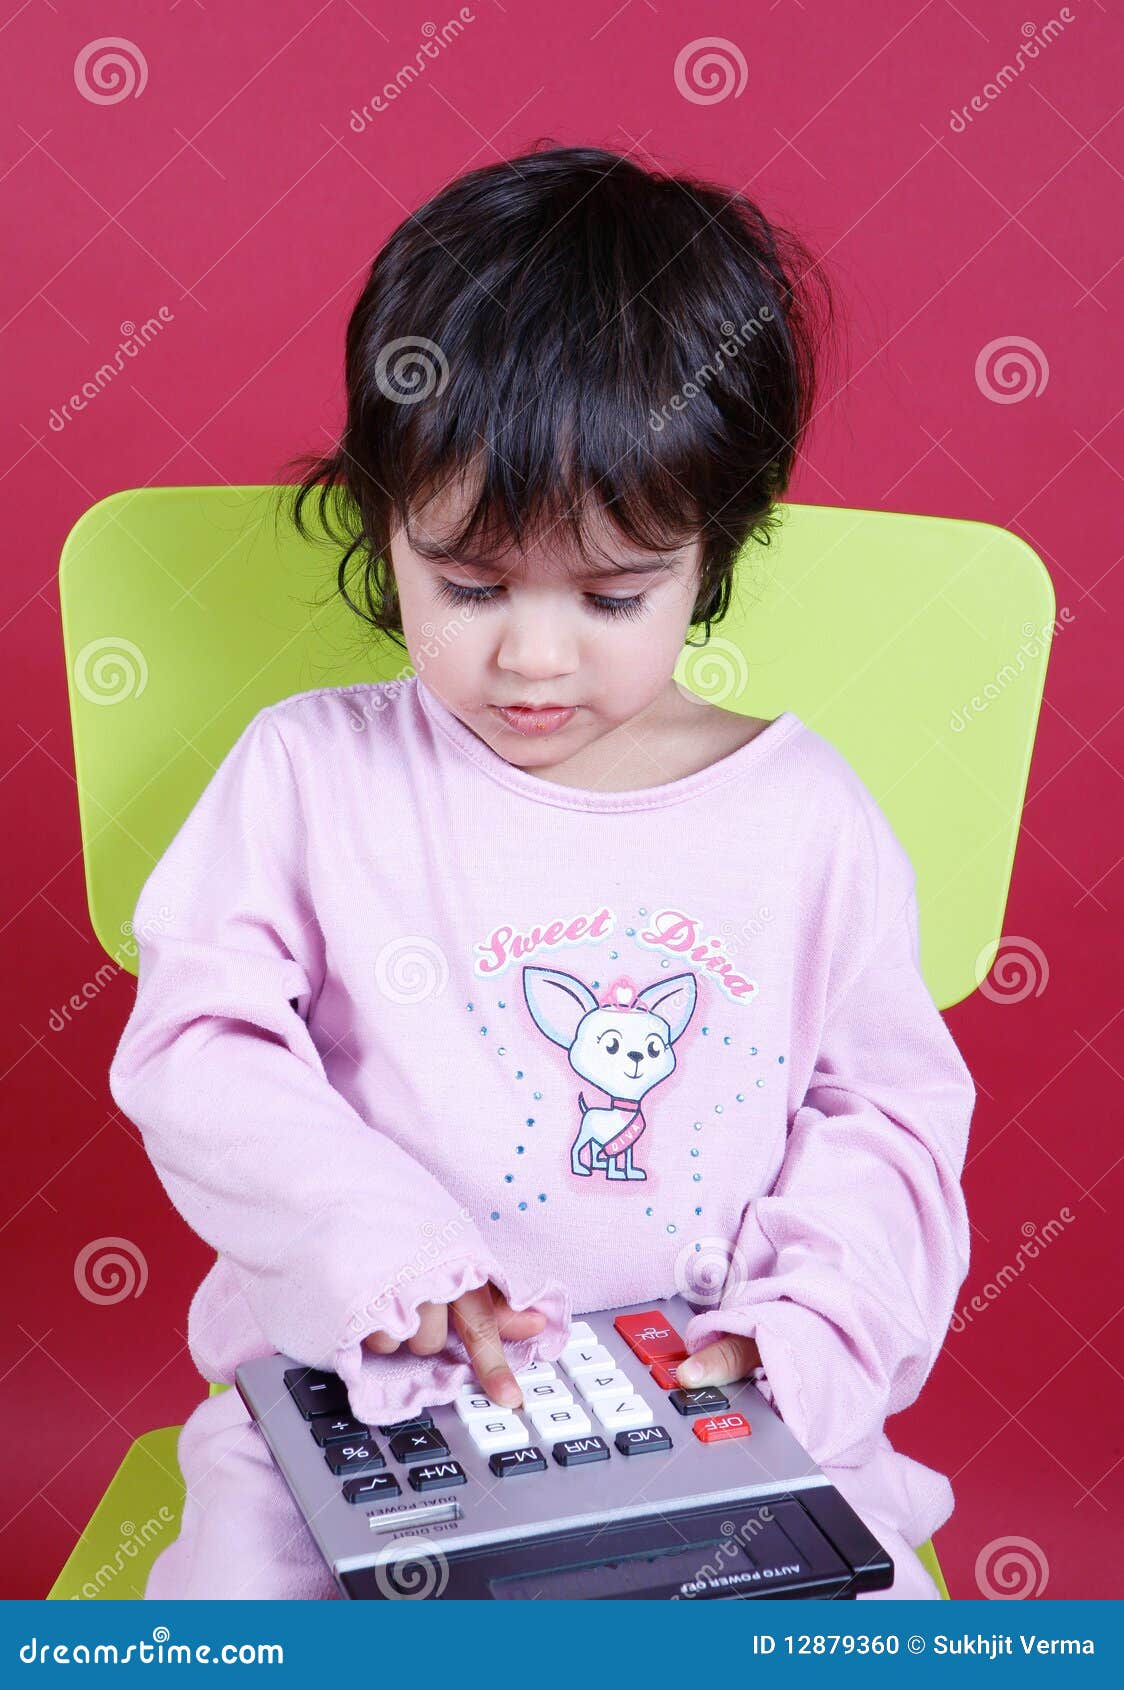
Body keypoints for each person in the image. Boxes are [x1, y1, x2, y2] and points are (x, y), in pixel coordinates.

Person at [108, 143, 974, 1600]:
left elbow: (883, 1117)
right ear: (384, 526)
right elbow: (203, 1048)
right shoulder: (310, 772)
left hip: (713, 1402)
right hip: (373, 1401)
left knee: (851, 1623)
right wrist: (392, 1266)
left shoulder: (807, 816)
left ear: (719, 548)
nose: (533, 654)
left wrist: (809, 1324)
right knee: (235, 1621)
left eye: (613, 594)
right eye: (469, 580)